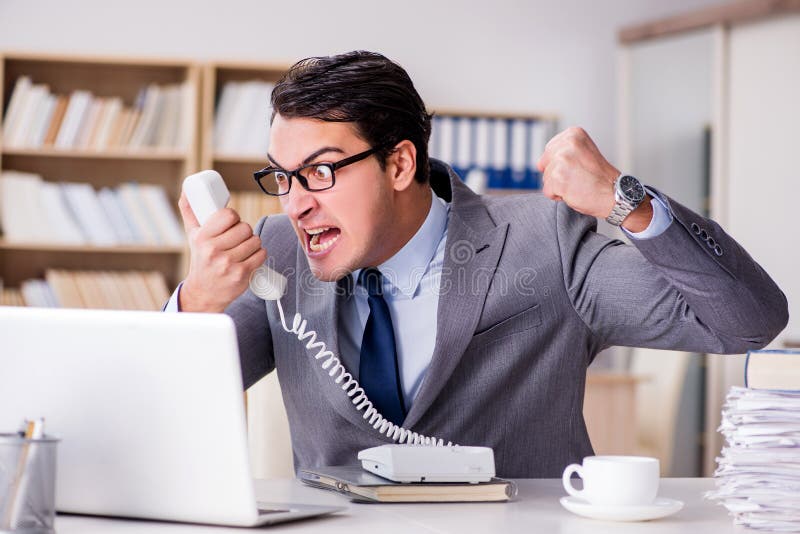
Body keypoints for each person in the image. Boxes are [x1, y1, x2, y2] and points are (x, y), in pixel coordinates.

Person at [166, 50, 787, 478]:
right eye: (284, 176)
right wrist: (196, 301)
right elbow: (167, 410)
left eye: (321, 172)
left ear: (400, 165)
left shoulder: (544, 242)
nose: (298, 203)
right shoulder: (274, 253)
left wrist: (630, 203)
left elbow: (747, 322)